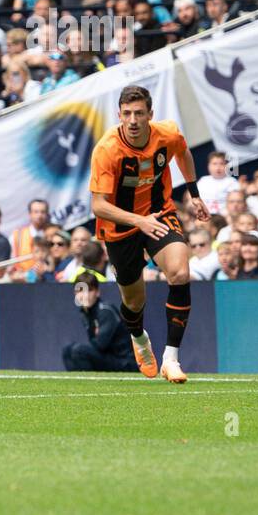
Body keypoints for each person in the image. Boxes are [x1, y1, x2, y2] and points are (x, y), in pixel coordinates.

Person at [89, 85, 210, 384]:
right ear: (119, 115)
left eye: (139, 113)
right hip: (120, 227)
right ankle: (139, 338)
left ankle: (171, 358)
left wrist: (193, 193)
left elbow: (183, 152)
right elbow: (98, 205)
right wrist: (138, 221)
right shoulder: (107, 150)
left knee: (181, 273)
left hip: (160, 213)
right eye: (127, 114)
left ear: (150, 115)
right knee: (133, 301)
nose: (132, 120)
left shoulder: (166, 133)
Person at [62, 272, 141, 372]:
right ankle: (76, 385)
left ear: (97, 292)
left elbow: (100, 344)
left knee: (79, 351)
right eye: (81, 290)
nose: (85, 295)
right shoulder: (85, 313)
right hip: (109, 357)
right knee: (67, 350)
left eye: (89, 290)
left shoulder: (105, 311)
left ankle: (89, 385)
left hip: (124, 362)